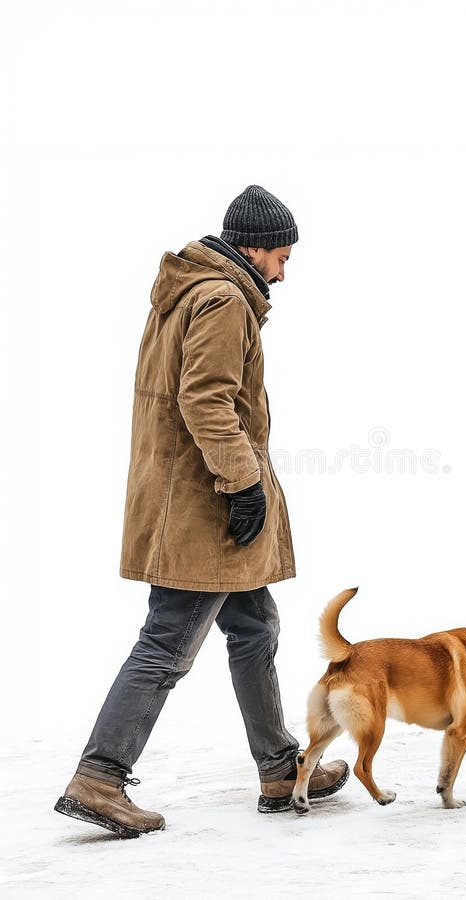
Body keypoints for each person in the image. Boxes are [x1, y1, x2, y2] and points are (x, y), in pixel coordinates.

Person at [54, 185, 348, 838]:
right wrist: (243, 484)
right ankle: (99, 777)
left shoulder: (192, 291)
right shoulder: (221, 298)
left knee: (254, 625)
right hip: (203, 506)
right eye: (281, 257)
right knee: (168, 640)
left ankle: (279, 768)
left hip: (191, 497)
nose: (283, 273)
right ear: (253, 248)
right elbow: (207, 399)